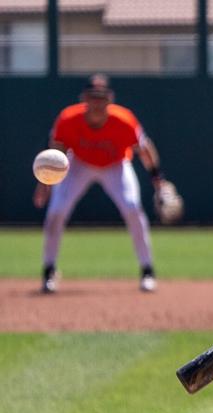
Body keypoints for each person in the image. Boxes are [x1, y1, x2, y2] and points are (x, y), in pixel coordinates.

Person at [33, 74, 164, 293]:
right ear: (84, 98)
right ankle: (49, 271)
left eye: (101, 97)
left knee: (132, 208)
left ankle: (147, 270)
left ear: (109, 99)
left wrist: (158, 180)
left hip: (116, 165)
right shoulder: (68, 118)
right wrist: (44, 183)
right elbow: (56, 151)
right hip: (79, 164)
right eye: (93, 96)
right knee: (56, 212)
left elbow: (145, 149)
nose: (97, 102)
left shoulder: (123, 119)